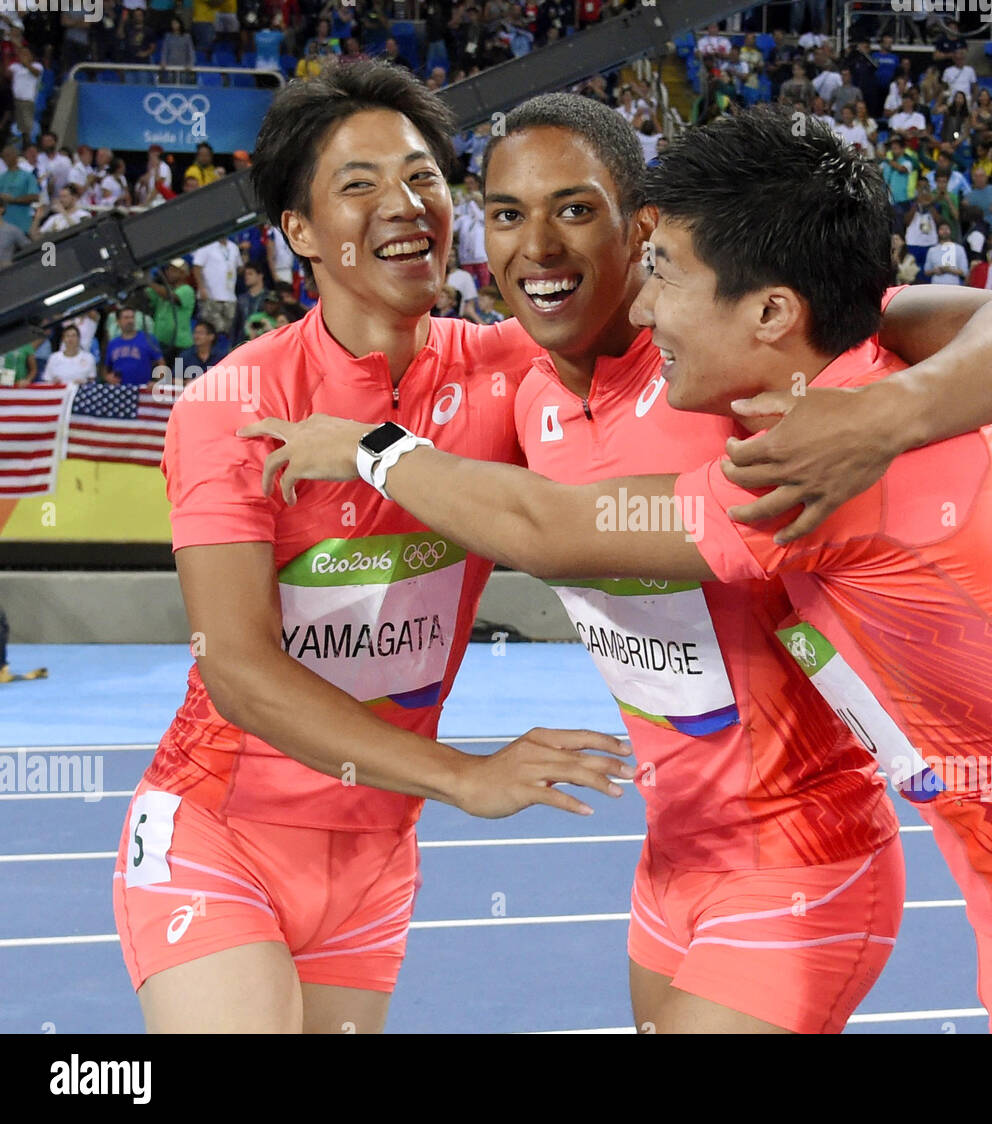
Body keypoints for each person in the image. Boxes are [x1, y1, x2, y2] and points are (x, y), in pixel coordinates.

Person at [246, 107, 992, 1036]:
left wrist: (373, 449)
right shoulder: (835, 390)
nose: (641, 296)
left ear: (767, 310)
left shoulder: (806, 470)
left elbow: (545, 526)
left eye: (660, 269)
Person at [111, 59, 632, 1037]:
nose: (404, 204)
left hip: (374, 854)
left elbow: (694, 316)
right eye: (359, 184)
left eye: (423, 176)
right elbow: (239, 672)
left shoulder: (505, 368)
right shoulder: (233, 404)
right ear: (299, 231)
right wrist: (463, 774)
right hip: (219, 834)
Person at [104, 307, 164, 385]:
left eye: (132, 317)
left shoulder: (148, 339)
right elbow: (106, 368)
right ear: (118, 321)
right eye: (126, 318)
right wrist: (107, 377)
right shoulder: (113, 343)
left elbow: (161, 363)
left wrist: (157, 383)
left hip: (143, 390)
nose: (130, 321)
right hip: (119, 390)